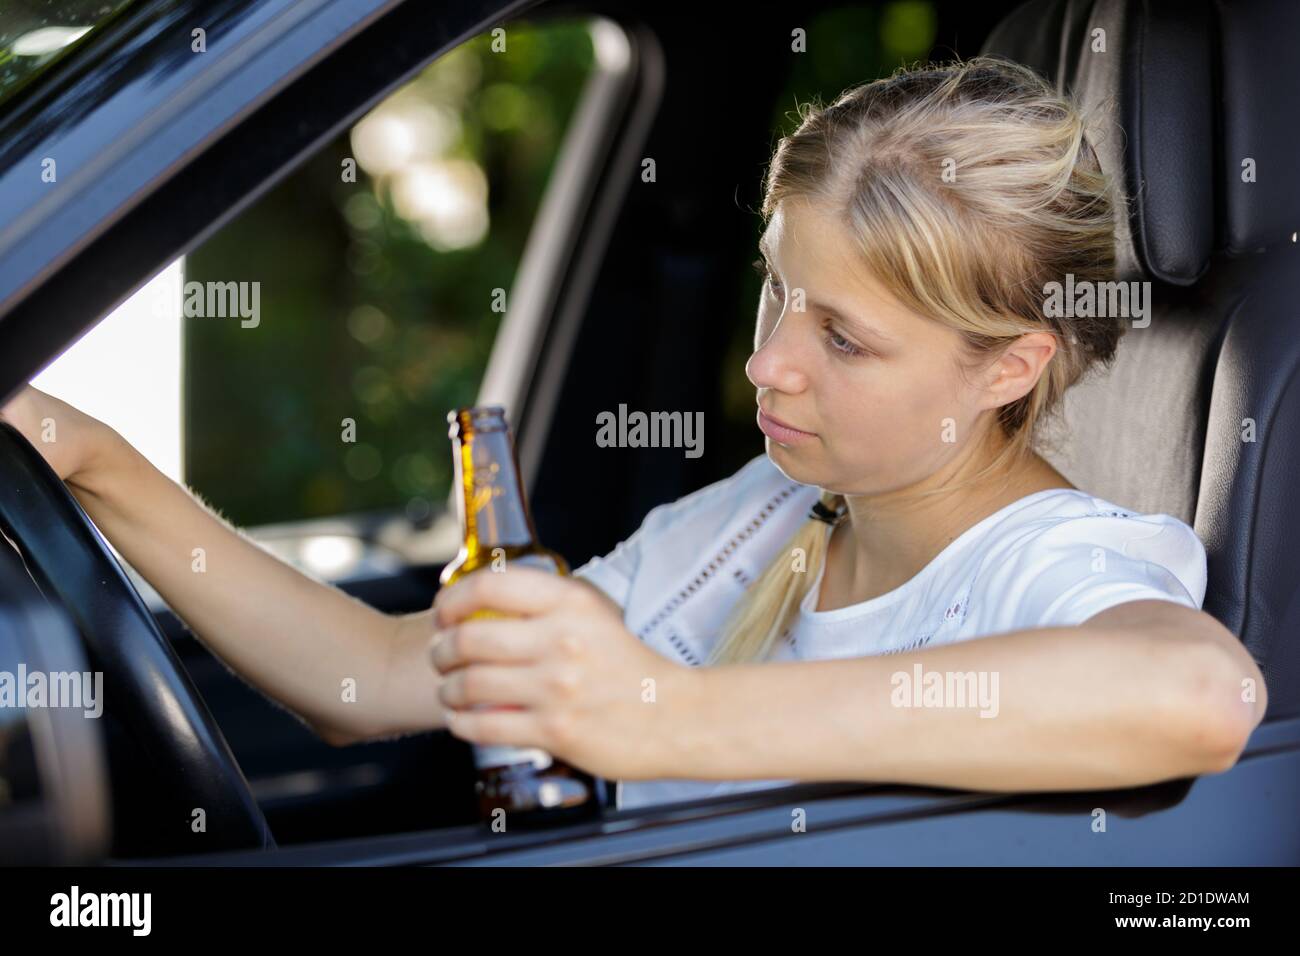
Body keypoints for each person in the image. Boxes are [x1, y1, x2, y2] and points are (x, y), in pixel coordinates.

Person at [0, 56, 1266, 814]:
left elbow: (1196, 693)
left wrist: (657, 714)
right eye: (778, 290)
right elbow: (369, 684)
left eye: (846, 337)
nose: (768, 360)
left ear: (1010, 366)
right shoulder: (765, 514)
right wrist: (89, 457)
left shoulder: (1044, 566)